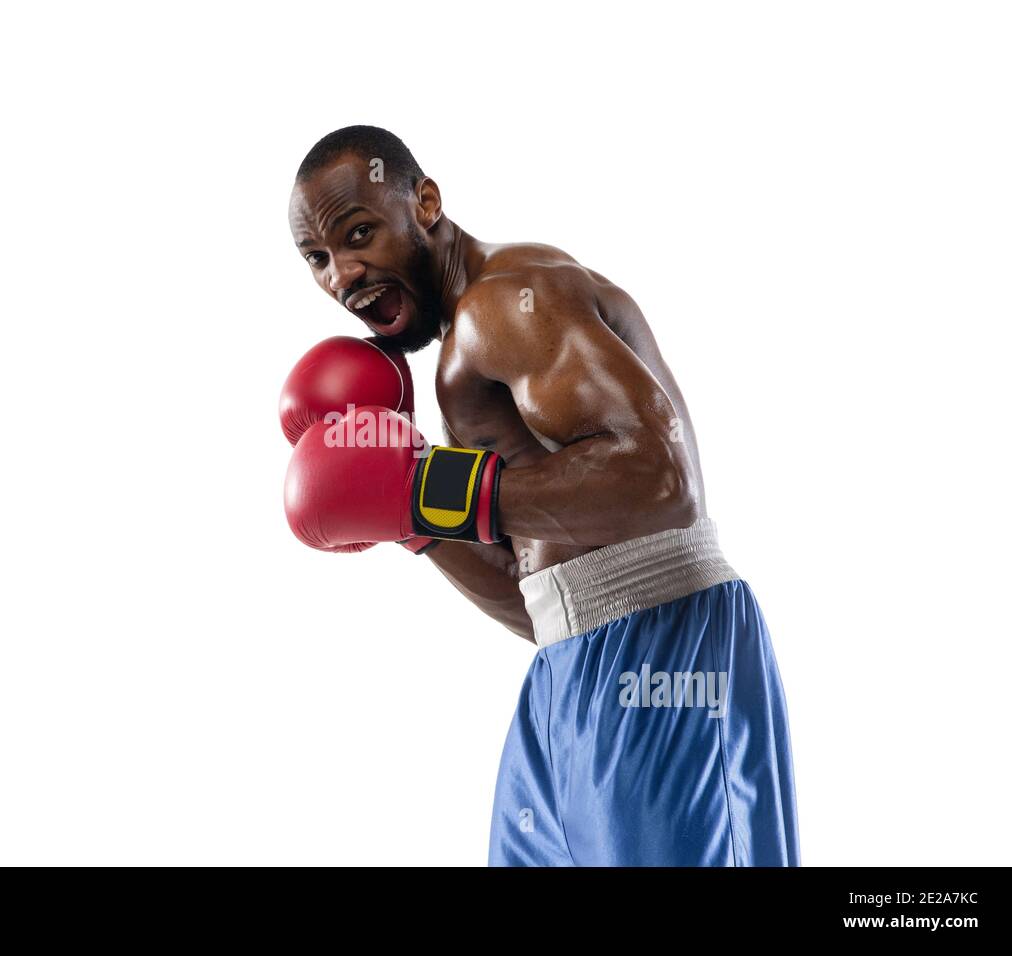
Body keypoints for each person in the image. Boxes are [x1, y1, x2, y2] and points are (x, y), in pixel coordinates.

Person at [281, 125, 799, 866]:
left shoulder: (507, 303)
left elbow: (660, 482)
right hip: (570, 672)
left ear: (424, 202)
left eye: (359, 233)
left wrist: (427, 488)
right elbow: (547, 602)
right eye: (318, 259)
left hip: (666, 658)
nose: (344, 275)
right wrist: (412, 519)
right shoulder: (461, 354)